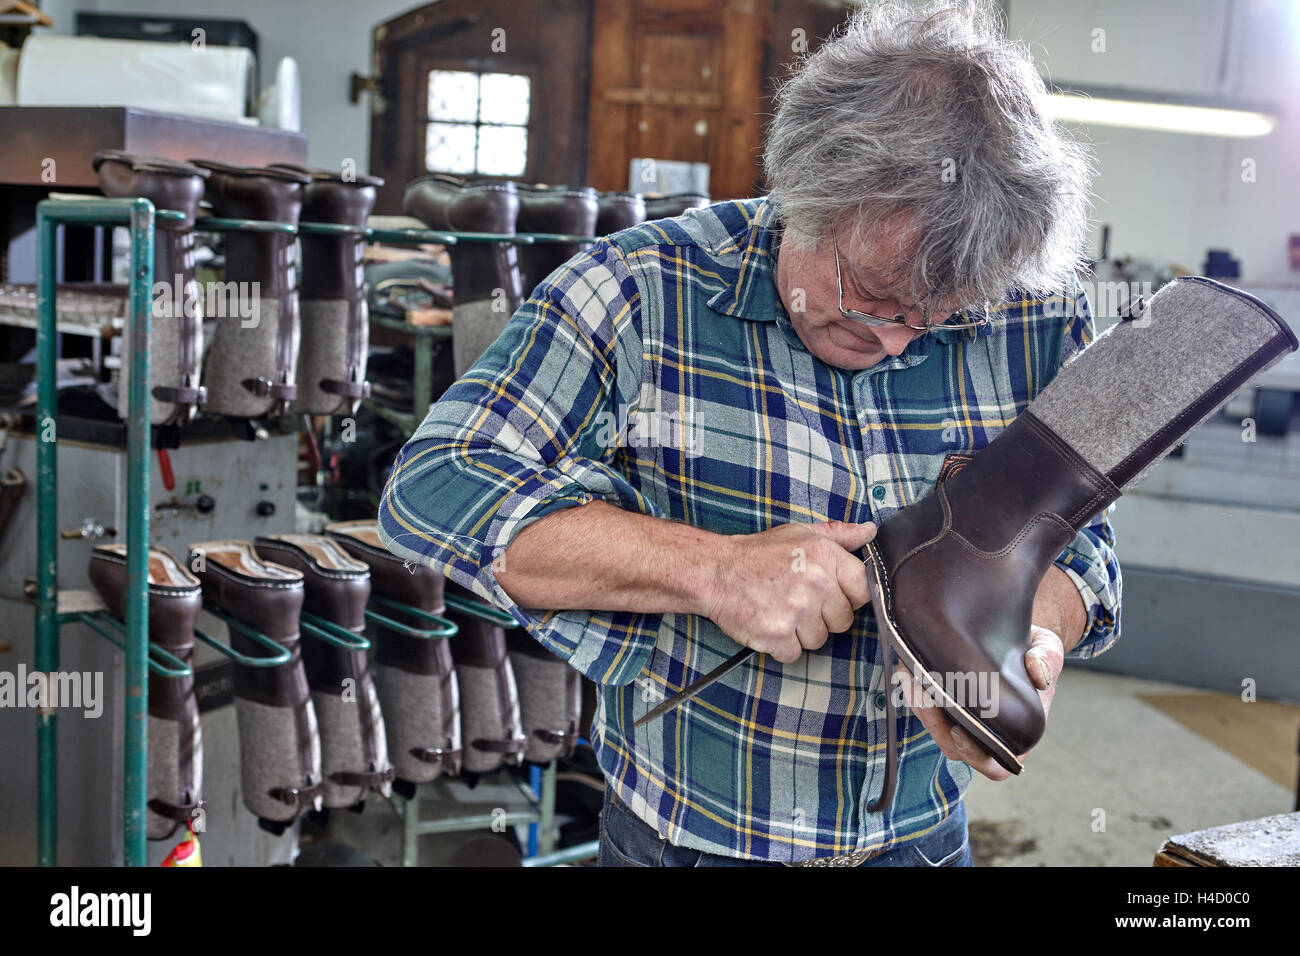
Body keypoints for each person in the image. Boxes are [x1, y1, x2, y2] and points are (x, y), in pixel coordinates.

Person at [378, 0, 1120, 866]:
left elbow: (1087, 541)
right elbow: (432, 489)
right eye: (872, 295)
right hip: (689, 838)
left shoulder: (1033, 317)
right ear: (804, 189)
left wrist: (1032, 629)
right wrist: (716, 570)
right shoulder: (641, 289)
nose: (897, 339)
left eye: (940, 314)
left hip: (923, 839)